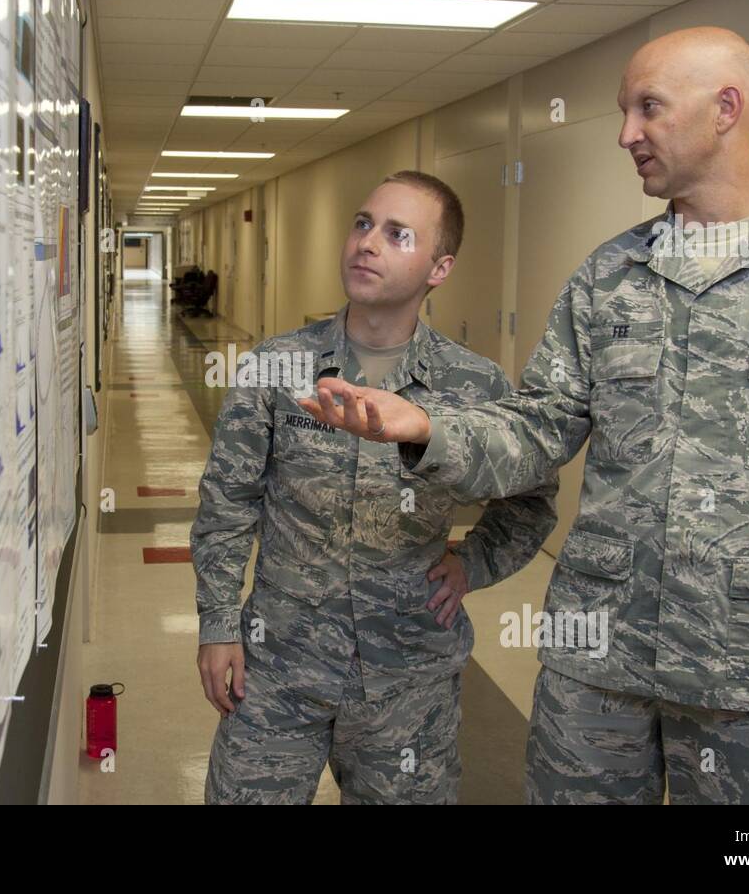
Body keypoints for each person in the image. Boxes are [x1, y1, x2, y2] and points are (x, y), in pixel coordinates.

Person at [299, 27, 749, 804]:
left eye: (647, 108)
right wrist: (426, 427)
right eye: (624, 111)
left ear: (726, 109)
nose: (626, 134)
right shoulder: (609, 276)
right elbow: (540, 426)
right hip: (597, 661)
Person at [192, 170, 558, 804]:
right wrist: (219, 623)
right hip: (278, 668)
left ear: (439, 268)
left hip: (408, 683)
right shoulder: (276, 369)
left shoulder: (474, 387)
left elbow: (532, 497)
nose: (368, 243)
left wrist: (471, 564)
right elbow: (229, 500)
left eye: (398, 234)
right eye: (363, 224)